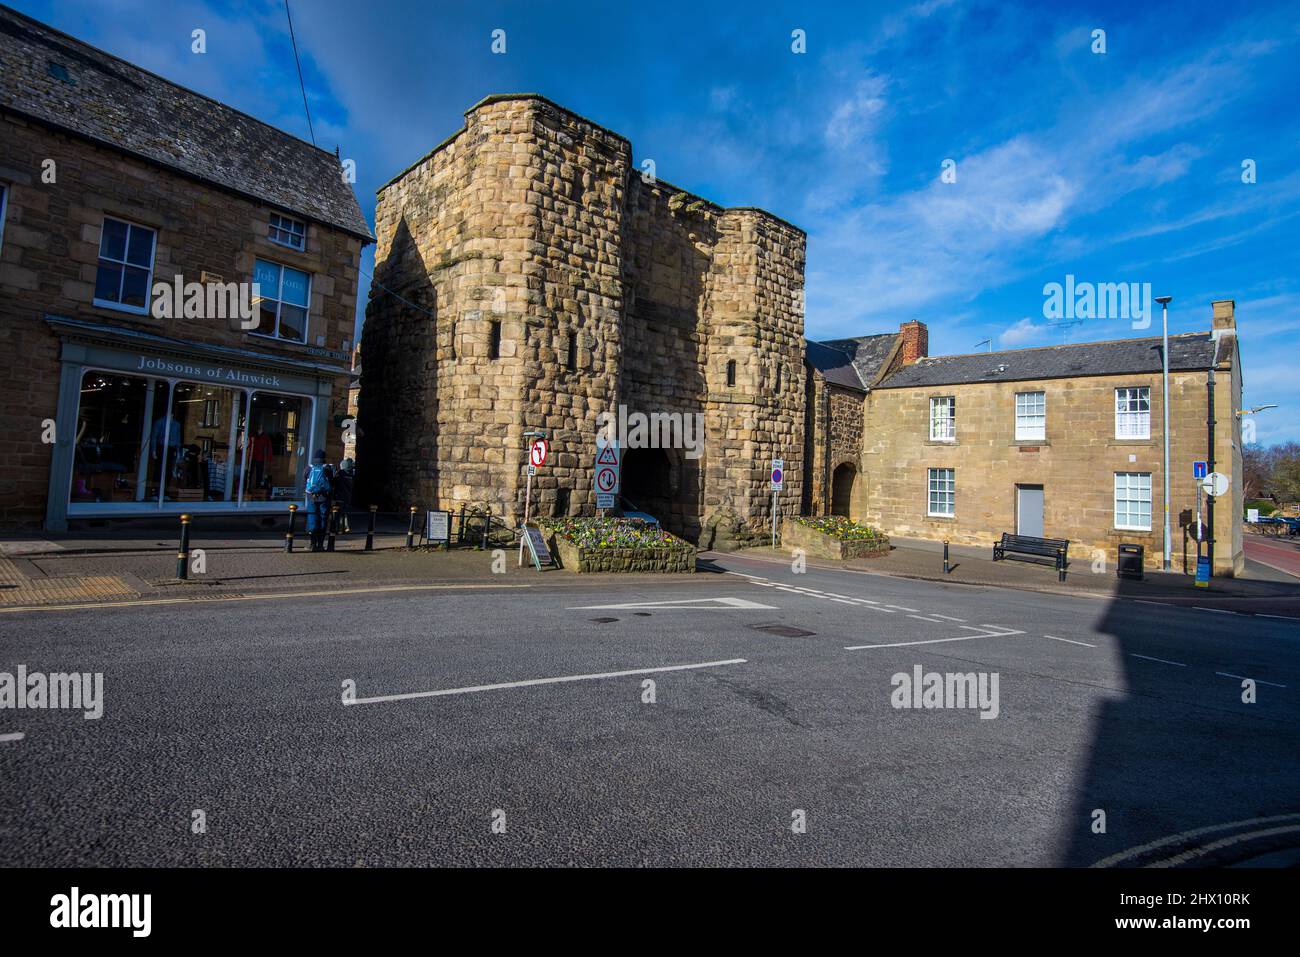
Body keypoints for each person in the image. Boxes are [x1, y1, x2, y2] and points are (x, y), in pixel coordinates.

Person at [302, 449, 334, 552]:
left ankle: (312, 544)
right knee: (323, 519)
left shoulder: (309, 468)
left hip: (311, 497)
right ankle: (320, 545)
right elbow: (331, 481)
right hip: (324, 497)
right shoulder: (327, 468)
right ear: (323, 458)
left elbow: (304, 478)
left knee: (312, 518)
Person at [333, 457, 355, 533]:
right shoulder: (351, 475)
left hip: (340, 496)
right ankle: (346, 527)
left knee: (338, 514)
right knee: (344, 512)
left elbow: (334, 483)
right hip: (347, 497)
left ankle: (339, 528)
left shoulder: (340, 474)